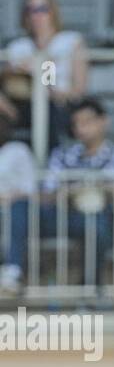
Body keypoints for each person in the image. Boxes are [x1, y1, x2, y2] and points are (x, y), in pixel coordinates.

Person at [41, 97, 114, 292]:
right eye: (76, 123)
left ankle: (90, 286)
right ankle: (12, 275)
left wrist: (110, 188)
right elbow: (47, 192)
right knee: (22, 210)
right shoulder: (63, 154)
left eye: (87, 122)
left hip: (105, 216)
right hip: (66, 215)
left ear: (103, 121)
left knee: (96, 223)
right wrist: (69, 192)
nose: (81, 128)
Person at [0, 0, 89, 146]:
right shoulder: (18, 47)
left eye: (42, 8)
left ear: (53, 11)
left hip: (58, 106)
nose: (37, 15)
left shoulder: (70, 41)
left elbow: (77, 91)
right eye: (31, 9)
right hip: (21, 105)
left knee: (47, 110)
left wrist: (38, 75)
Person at [0, 113, 36, 293]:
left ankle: (11, 272)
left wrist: (7, 197)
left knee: (16, 209)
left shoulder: (18, 149)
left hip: (14, 205)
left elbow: (29, 188)